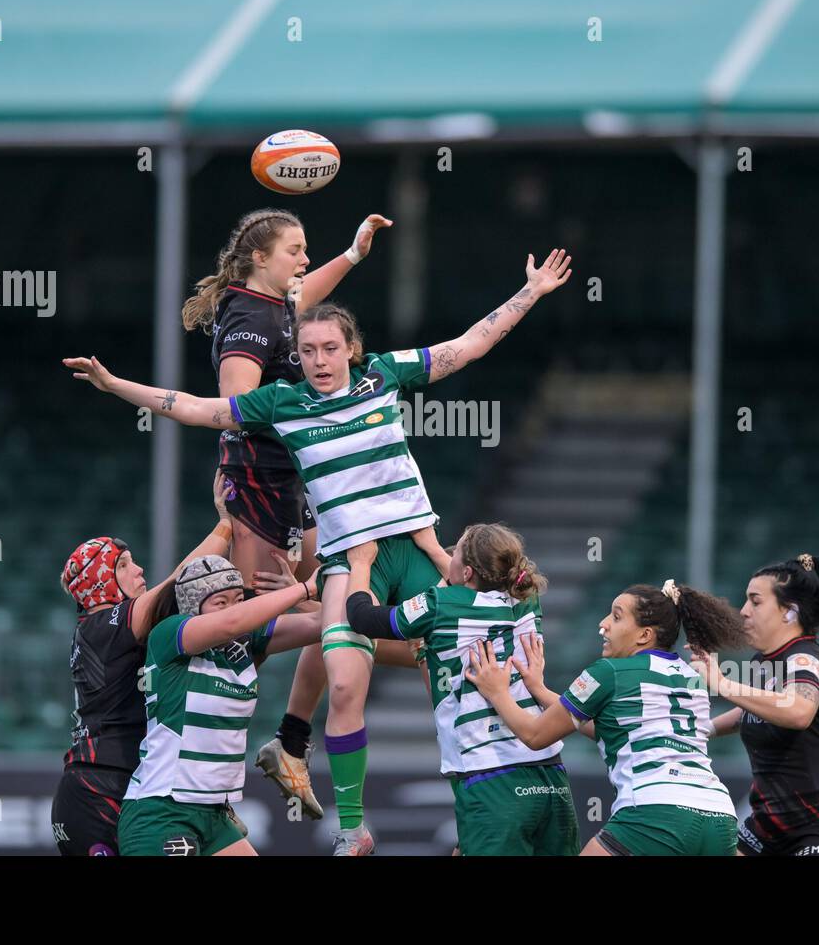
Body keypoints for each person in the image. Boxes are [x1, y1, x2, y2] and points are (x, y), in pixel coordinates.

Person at [63, 247, 573, 853]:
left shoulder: (385, 374)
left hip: (414, 544)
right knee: (346, 677)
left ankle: (473, 794)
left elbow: (469, 345)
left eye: (329, 349)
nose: (319, 361)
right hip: (349, 558)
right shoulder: (283, 403)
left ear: (351, 349)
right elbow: (198, 410)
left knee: (466, 653)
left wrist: (533, 291)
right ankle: (353, 830)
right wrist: (114, 383)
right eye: (306, 352)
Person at [181, 210, 392, 819]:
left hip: (293, 482)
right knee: (254, 627)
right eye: (296, 250)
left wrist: (353, 254)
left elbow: (302, 302)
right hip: (261, 487)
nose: (304, 260)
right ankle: (207, 762)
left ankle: (290, 741)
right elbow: (231, 408)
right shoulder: (249, 317)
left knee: (314, 604)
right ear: (260, 260)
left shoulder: (271, 304)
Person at [343, 524, 579, 856]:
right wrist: (434, 549)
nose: (449, 552)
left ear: (467, 571)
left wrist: (361, 563)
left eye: (457, 550)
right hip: (551, 777)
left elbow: (362, 618)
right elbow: (476, 587)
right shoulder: (527, 597)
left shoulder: (441, 604)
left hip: (491, 778)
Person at [466, 578, 745, 855]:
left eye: (616, 616)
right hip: (718, 816)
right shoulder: (691, 677)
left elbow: (535, 735)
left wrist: (497, 692)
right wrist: (539, 690)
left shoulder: (609, 671)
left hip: (655, 813)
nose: (603, 623)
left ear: (644, 635)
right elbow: (611, 728)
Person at [51, 471, 236, 856]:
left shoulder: (95, 630)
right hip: (99, 793)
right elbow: (180, 583)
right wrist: (225, 527)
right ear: (101, 582)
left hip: (110, 785)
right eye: (124, 565)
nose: (138, 571)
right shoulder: (104, 625)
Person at [116, 556, 322, 855]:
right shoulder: (170, 633)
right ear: (194, 607)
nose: (234, 608)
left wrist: (303, 595)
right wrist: (304, 589)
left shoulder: (244, 644)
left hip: (214, 814)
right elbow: (231, 623)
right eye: (220, 602)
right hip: (162, 811)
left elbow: (324, 624)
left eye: (239, 599)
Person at [691, 553, 819, 856]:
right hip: (769, 828)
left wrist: (723, 684)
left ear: (789, 612)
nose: (744, 611)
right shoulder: (764, 663)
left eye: (755, 601)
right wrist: (698, 730)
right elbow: (754, 710)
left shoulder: (805, 659)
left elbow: (798, 711)